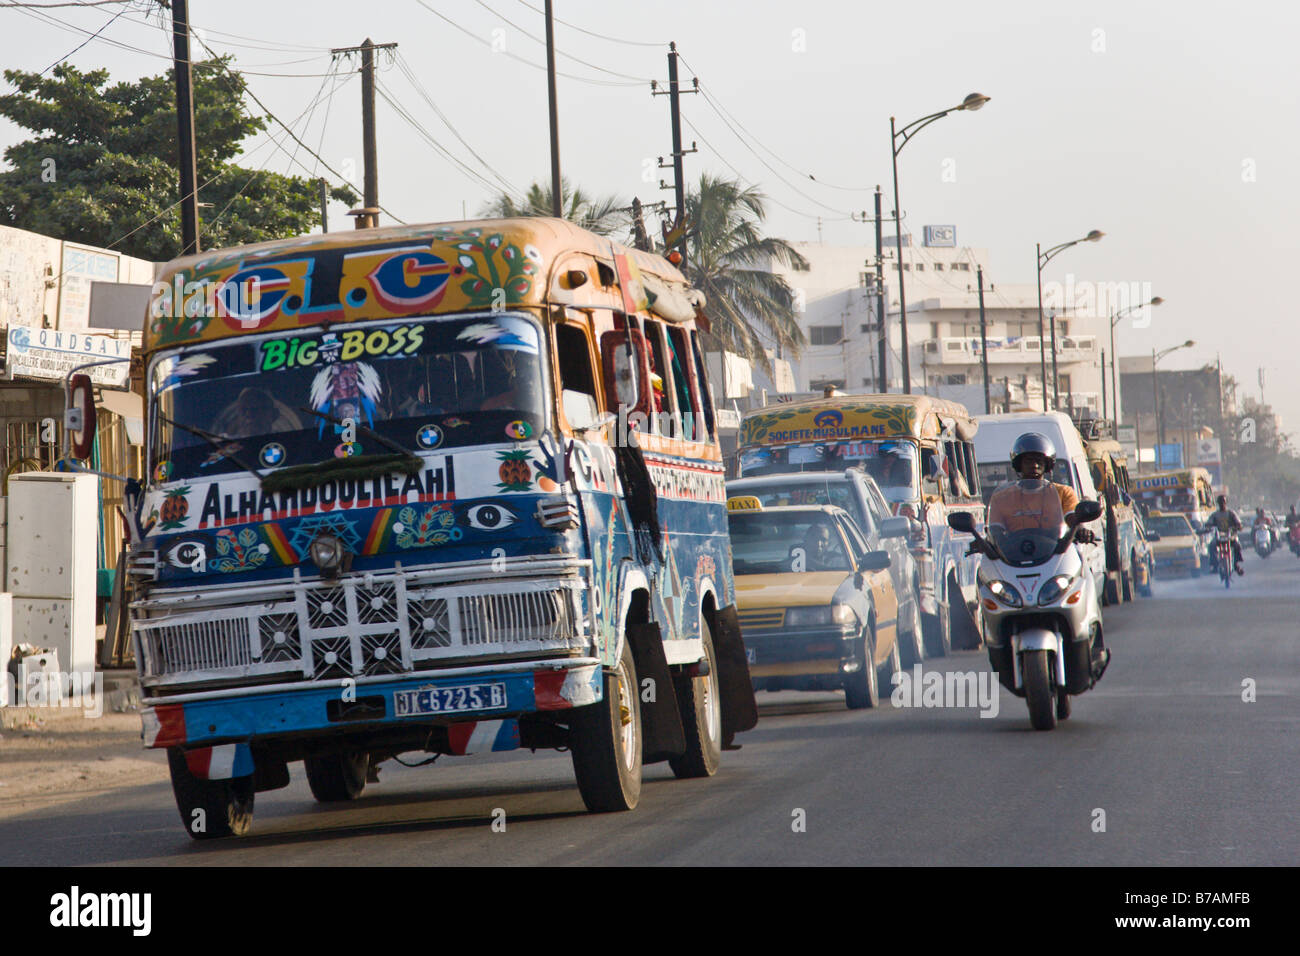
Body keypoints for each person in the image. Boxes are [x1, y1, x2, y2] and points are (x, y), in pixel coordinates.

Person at [1002, 432, 1097, 543]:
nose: (1035, 465)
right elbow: (996, 528)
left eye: (1039, 461)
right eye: (1029, 461)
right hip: (1014, 555)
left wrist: (1081, 530)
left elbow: (1072, 517)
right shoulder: (1004, 497)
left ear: (1047, 465)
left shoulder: (1063, 492)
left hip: (1058, 552)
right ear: (1019, 464)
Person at [1203, 495, 1244, 575]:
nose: (1222, 504)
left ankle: (1236, 564)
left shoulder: (1231, 513)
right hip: (1219, 537)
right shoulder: (1215, 515)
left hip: (1230, 536)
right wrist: (1207, 527)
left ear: (1226, 503)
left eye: (1223, 502)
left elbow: (1238, 522)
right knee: (1212, 545)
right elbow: (1209, 523)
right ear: (1218, 503)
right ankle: (1215, 566)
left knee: (1237, 546)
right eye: (1220, 502)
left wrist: (1238, 526)